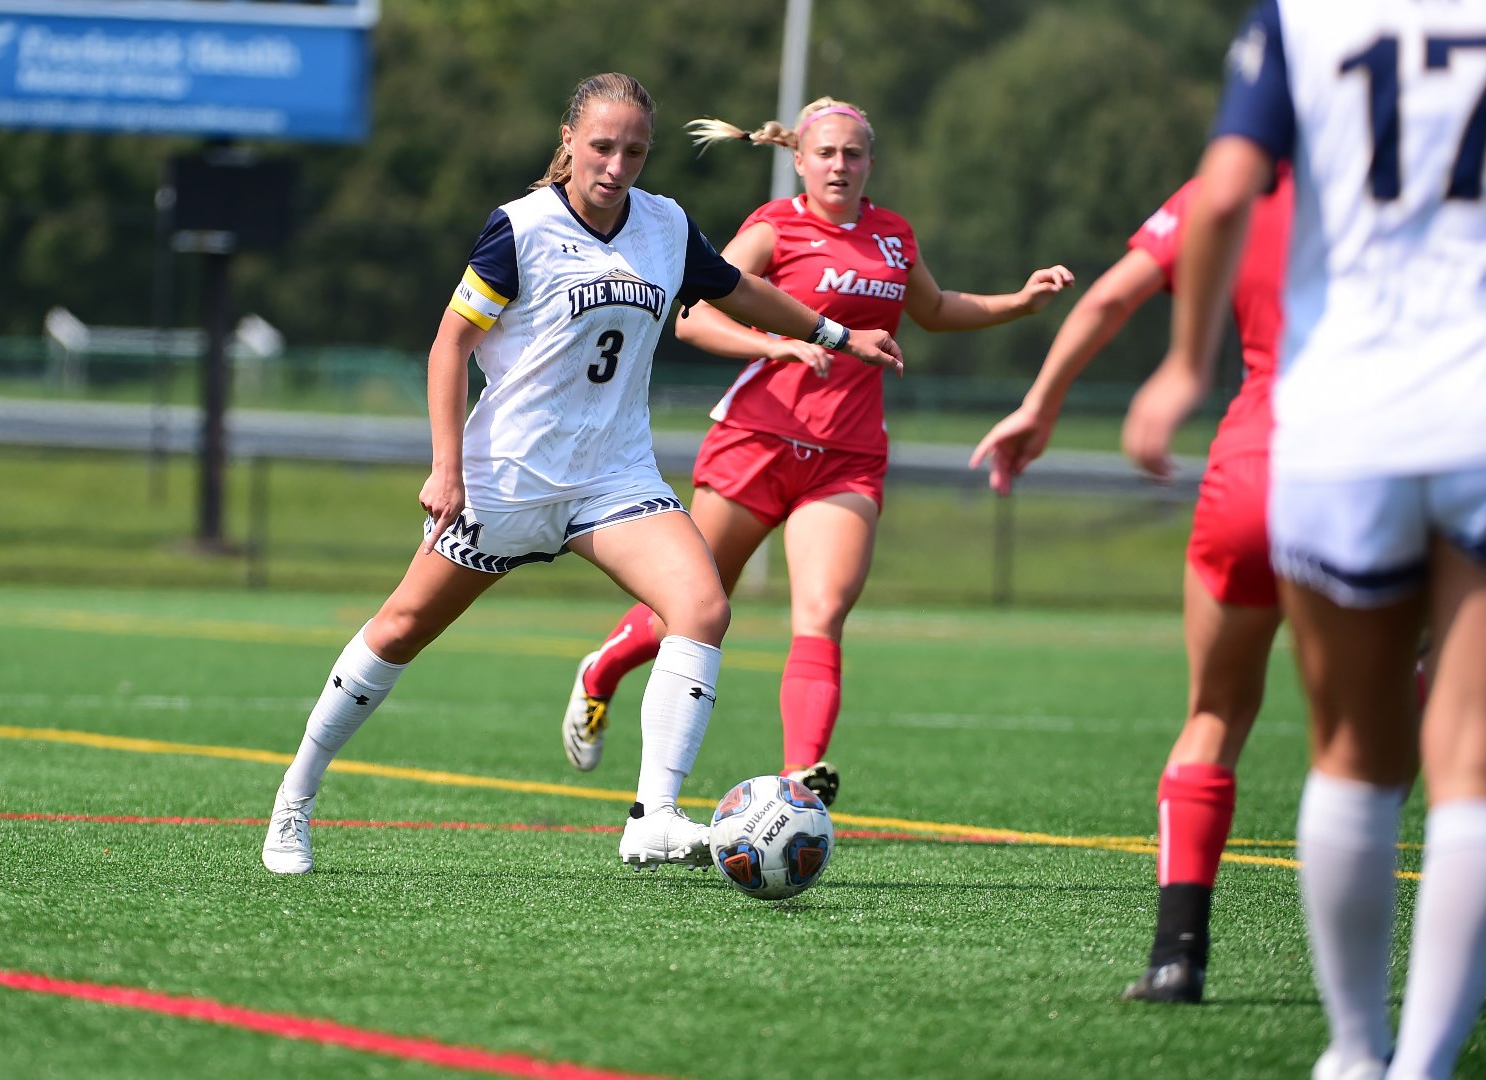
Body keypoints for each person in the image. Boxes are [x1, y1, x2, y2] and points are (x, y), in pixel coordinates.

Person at [260, 73, 903, 875]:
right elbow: (449, 345)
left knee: (702, 607)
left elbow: (741, 291)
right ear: (568, 141)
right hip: (510, 478)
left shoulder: (665, 224)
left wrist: (836, 336)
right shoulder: (520, 228)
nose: (616, 165)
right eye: (601, 146)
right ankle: (294, 798)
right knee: (399, 629)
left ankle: (653, 818)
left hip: (613, 477)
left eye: (634, 151)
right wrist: (445, 469)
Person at [1121, 3, 1486, 1077]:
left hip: (1344, 420)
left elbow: (1226, 188)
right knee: (1467, 763)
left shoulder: (1301, 16)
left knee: (1351, 754)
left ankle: (1355, 1051)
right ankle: (1423, 1064)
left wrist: (1185, 366)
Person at [559, 97, 1072, 806]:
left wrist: (1019, 302)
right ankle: (603, 671)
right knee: (690, 603)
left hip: (847, 456)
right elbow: (693, 319)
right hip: (756, 442)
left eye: (852, 154)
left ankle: (799, 779)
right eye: (825, 153)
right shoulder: (774, 227)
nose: (839, 165)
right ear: (797, 159)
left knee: (822, 611)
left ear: (870, 163)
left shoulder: (893, 235)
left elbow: (932, 310)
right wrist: (777, 345)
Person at [971, 167, 1292, 1005]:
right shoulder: (1432, 173)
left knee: (1212, 716)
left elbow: (1111, 297)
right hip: (1382, 467)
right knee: (1386, 738)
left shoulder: (1232, 181)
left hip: (1256, 461)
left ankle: (1176, 957)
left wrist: (1041, 404)